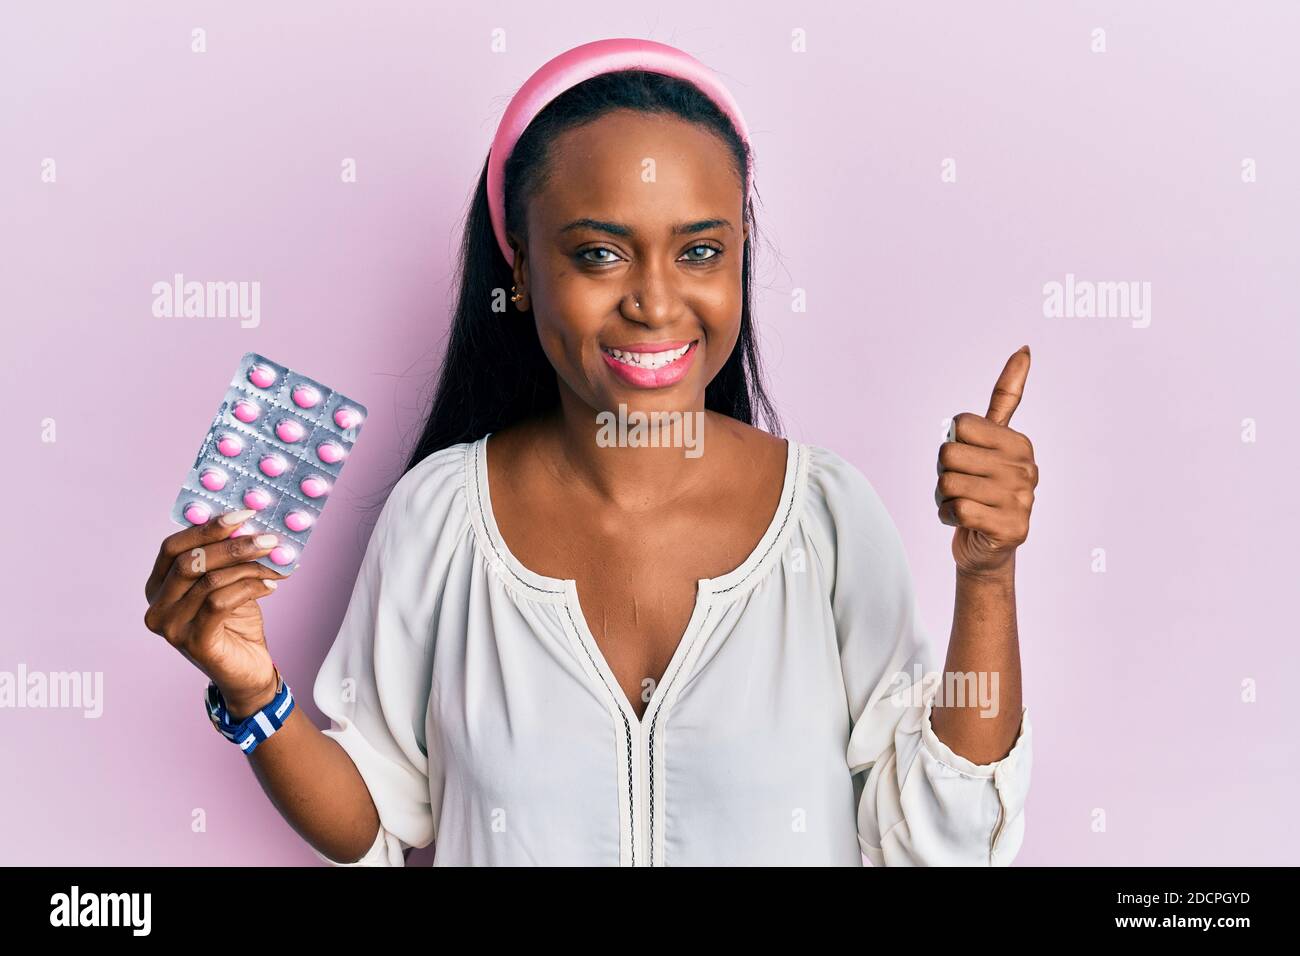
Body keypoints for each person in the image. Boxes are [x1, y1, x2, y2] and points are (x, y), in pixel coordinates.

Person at [143, 38, 1037, 866]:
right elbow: (372, 820)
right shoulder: (441, 517)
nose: (655, 302)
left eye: (699, 251)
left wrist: (987, 575)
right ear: (522, 268)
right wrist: (254, 693)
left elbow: (940, 839)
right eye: (600, 253)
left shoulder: (831, 519)